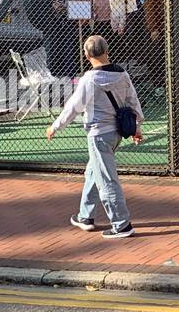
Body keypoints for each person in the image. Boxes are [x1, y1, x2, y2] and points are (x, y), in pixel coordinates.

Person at [46, 33, 144, 238]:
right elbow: (133, 101)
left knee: (106, 180)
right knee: (94, 171)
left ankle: (121, 223)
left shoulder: (89, 79)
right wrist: (137, 127)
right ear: (107, 51)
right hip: (117, 132)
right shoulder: (122, 74)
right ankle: (85, 215)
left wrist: (55, 126)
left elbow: (73, 107)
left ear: (87, 54)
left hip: (98, 134)